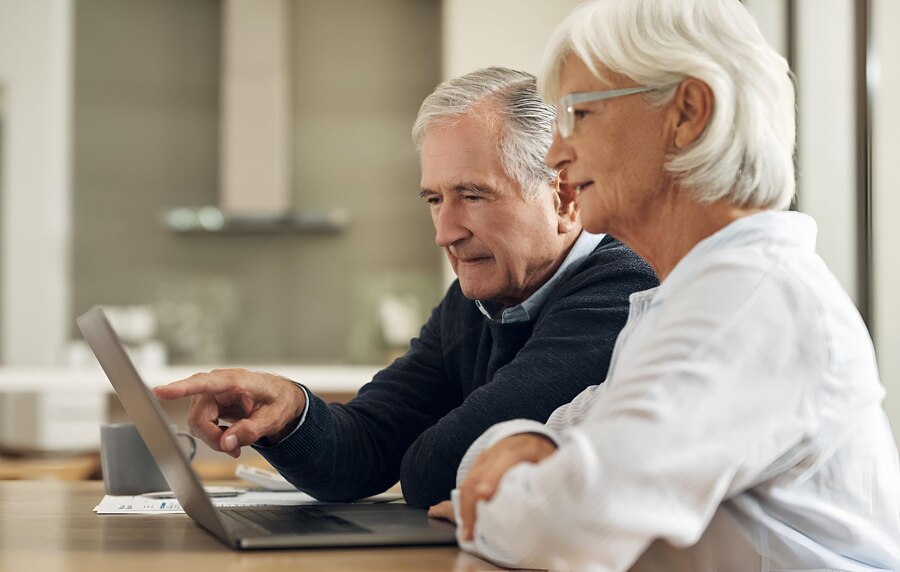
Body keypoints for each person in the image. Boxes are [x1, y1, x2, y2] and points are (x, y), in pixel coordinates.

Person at [438, 1, 900, 569]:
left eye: (579, 114)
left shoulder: (747, 302)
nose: (557, 154)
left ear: (687, 113)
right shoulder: (689, 298)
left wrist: (514, 484)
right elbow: (491, 465)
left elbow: (562, 529)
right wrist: (527, 449)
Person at [153, 67, 657, 509]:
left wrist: (414, 455)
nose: (445, 233)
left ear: (564, 198)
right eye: (434, 200)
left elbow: (439, 471)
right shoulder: (475, 301)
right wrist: (291, 413)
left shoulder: (625, 289)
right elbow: (365, 449)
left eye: (472, 195)